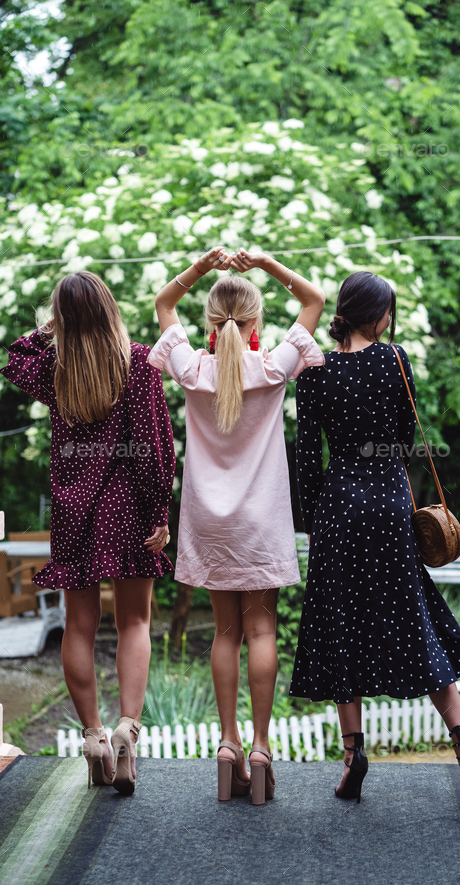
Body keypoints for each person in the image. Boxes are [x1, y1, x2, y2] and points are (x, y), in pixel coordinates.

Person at [289, 270, 460, 805]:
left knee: (342, 625)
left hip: (338, 509)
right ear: (379, 315)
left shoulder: (314, 369)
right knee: (413, 618)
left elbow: (306, 455)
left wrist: (313, 521)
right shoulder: (395, 360)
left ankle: (353, 755)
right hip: (387, 504)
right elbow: (403, 441)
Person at [149, 245, 325, 805]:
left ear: (210, 322)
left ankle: (226, 744)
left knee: (224, 633)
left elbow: (163, 301)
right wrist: (268, 264)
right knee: (262, 631)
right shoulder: (273, 365)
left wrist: (202, 267)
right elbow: (317, 299)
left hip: (209, 520)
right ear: (256, 323)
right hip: (261, 518)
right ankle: (260, 745)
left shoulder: (192, 368)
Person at [1, 270, 175, 795]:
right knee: (134, 620)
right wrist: (159, 514)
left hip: (74, 510)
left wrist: (48, 329)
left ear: (65, 319)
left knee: (78, 624)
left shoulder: (56, 368)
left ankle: (94, 738)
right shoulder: (139, 361)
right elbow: (155, 446)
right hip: (127, 507)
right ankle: (127, 729)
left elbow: (14, 359)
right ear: (109, 308)